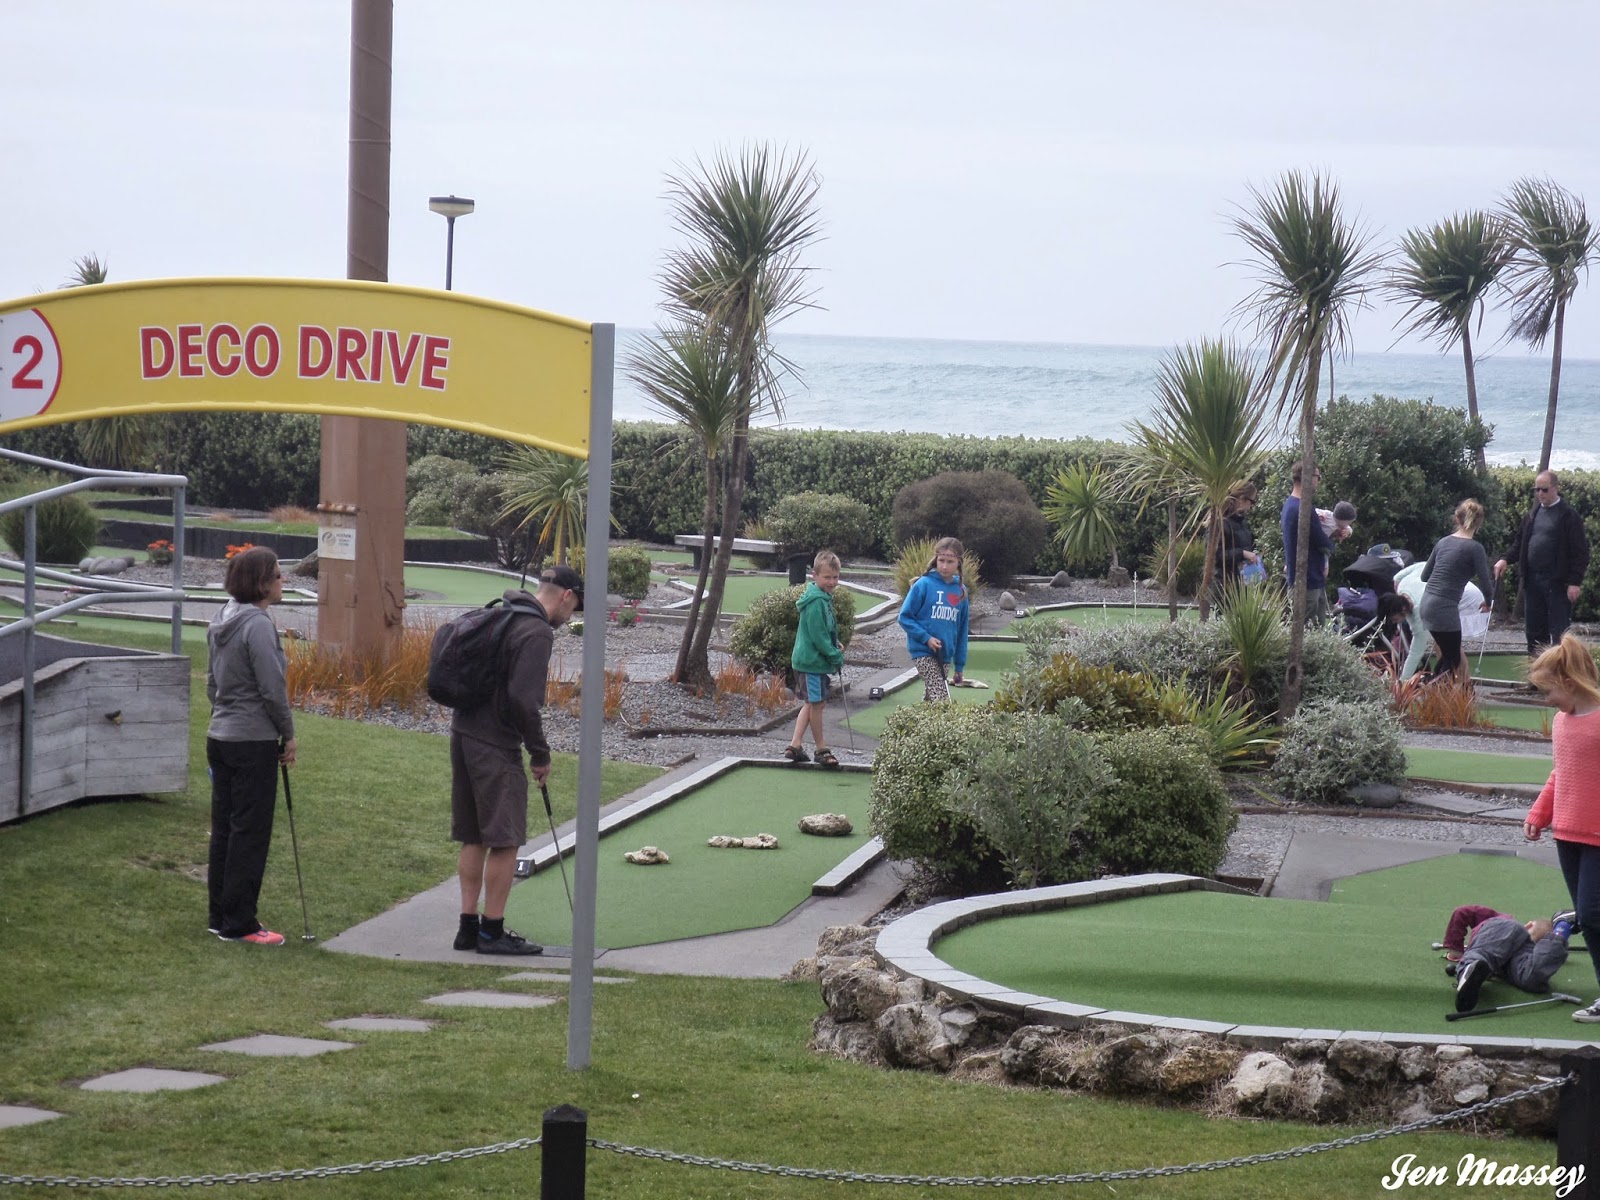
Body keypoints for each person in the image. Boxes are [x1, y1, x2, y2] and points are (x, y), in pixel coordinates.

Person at [451, 565, 583, 956]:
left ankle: (467, 928)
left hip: (463, 731)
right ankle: (492, 932)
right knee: (505, 839)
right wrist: (540, 753)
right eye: (575, 607)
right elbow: (523, 701)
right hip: (494, 742)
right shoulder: (537, 631)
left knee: (474, 835)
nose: (571, 617)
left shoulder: (503, 611)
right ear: (566, 596)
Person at [206, 547, 297, 946]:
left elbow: (212, 684)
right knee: (249, 831)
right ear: (261, 582)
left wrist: (226, 713)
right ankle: (240, 923)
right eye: (278, 575)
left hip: (221, 736)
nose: (283, 581)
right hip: (251, 741)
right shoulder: (257, 625)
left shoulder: (222, 616)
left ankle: (221, 916)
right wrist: (288, 733)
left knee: (226, 828)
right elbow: (272, 689)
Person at [1524, 634, 1600, 1022]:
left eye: (1549, 690)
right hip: (1568, 833)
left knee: (1592, 914)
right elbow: (1561, 773)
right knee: (1589, 918)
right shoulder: (1561, 722)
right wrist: (1540, 813)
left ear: (1568, 682)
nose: (1548, 700)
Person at [1495, 469, 1590, 654]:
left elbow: (1581, 552)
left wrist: (1575, 582)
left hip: (1557, 583)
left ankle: (1559, 670)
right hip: (1533, 581)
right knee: (1534, 632)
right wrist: (1505, 559)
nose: (1540, 494)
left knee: (1559, 633)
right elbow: (1520, 543)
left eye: (1544, 489)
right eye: (1537, 490)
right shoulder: (1533, 514)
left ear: (1555, 488)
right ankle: (1537, 670)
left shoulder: (1569, 516)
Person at [1419, 499, 1493, 685]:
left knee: (1448, 656)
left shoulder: (1443, 542)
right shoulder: (1475, 548)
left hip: (1426, 604)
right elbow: (1485, 582)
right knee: (1453, 659)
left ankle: (1434, 690)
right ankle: (1431, 690)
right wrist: (1488, 602)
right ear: (1479, 523)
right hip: (1445, 607)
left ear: (1456, 518)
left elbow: (1425, 576)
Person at [1447, 907, 1573, 1013]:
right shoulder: (1505, 920)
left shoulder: (1505, 922)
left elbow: (1461, 911)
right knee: (1531, 975)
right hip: (1518, 941)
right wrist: (1456, 947)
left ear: (1529, 925)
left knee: (1485, 954)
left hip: (1513, 955)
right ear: (1529, 925)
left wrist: (1455, 951)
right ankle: (1560, 933)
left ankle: (1468, 969)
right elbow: (1463, 912)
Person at [784, 549, 845, 767]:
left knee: (812, 703)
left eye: (835, 577)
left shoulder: (823, 598)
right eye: (827, 577)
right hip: (811, 662)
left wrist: (834, 643)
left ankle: (795, 744)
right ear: (815, 576)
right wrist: (834, 655)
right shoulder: (816, 602)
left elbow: (823, 631)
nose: (832, 582)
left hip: (812, 661)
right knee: (817, 704)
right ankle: (821, 748)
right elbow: (818, 636)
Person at [899, 536, 971, 703]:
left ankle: (918, 719)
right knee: (940, 698)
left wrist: (959, 666)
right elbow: (904, 617)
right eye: (941, 560)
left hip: (944, 654)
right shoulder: (923, 584)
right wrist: (927, 638)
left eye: (950, 562)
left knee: (931, 697)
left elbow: (962, 630)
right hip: (923, 651)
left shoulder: (961, 592)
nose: (944, 566)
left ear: (958, 563)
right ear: (936, 560)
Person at [1281, 463, 1336, 624]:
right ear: (1308, 478)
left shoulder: (1289, 505)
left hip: (1301, 578)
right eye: (1318, 477)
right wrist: (1332, 540)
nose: (1318, 481)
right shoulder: (1303, 509)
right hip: (1308, 580)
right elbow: (1321, 542)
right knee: (1308, 628)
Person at [1213, 481, 1261, 592]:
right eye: (1252, 502)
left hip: (1242, 582)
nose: (1251, 506)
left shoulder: (1241, 521)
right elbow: (1216, 556)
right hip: (1225, 585)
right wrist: (1242, 553)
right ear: (1242, 499)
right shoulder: (1220, 523)